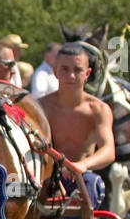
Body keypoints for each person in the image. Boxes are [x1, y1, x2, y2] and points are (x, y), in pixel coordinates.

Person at [37, 43, 116, 207]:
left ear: (87, 74)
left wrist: (82, 165)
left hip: (82, 177)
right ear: (55, 72)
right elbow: (33, 147)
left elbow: (109, 151)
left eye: (77, 70)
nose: (71, 76)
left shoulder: (98, 109)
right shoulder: (41, 107)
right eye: (65, 69)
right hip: (46, 177)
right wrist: (52, 176)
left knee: (92, 183)